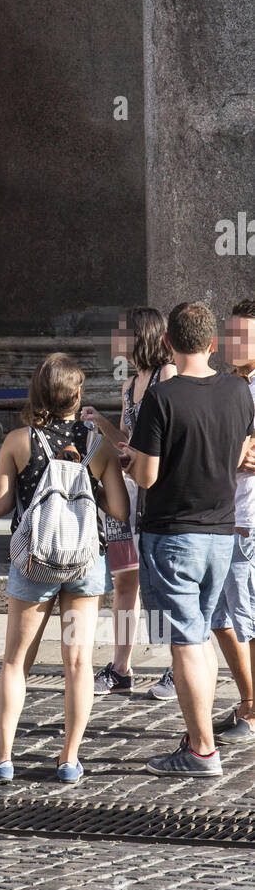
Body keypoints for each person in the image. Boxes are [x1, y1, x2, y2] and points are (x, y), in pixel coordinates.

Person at [0, 353, 128, 785]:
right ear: (78, 395)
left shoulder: (19, 441)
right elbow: (119, 509)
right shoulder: (99, 445)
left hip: (33, 565)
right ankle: (69, 760)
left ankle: (2, 759)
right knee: (77, 663)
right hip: (83, 564)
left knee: (15, 662)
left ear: (37, 392)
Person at [127, 301, 255, 777]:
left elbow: (146, 475)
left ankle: (202, 750)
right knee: (197, 636)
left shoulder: (162, 397)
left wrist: (128, 461)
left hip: (171, 535)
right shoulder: (239, 391)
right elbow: (241, 451)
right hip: (222, 534)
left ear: (167, 344)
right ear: (213, 343)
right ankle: (198, 734)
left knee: (184, 642)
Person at [81, 308, 176, 699]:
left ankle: (177, 664)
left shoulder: (165, 376)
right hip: (129, 494)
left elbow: (170, 440)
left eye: (122, 334)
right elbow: (129, 438)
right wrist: (101, 423)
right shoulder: (131, 382)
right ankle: (121, 668)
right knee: (124, 581)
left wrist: (137, 459)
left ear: (142, 336)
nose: (115, 341)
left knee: (165, 585)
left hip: (157, 493)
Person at [210, 300, 255, 745]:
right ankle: (247, 700)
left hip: (247, 520)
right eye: (231, 333)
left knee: (248, 618)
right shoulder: (230, 384)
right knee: (221, 617)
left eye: (244, 335)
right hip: (224, 516)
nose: (233, 342)